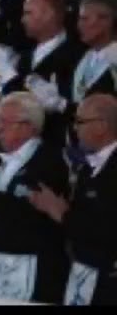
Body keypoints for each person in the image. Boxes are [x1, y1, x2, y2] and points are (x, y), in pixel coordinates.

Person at [0, 93, 69, 302]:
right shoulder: (0, 159)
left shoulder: (49, 161)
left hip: (32, 262)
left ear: (28, 126)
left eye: (4, 121)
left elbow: (34, 212)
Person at [27, 92, 117, 305]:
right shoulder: (90, 166)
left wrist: (62, 213)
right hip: (82, 274)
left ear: (102, 125)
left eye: (79, 121)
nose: (74, 128)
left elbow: (108, 229)